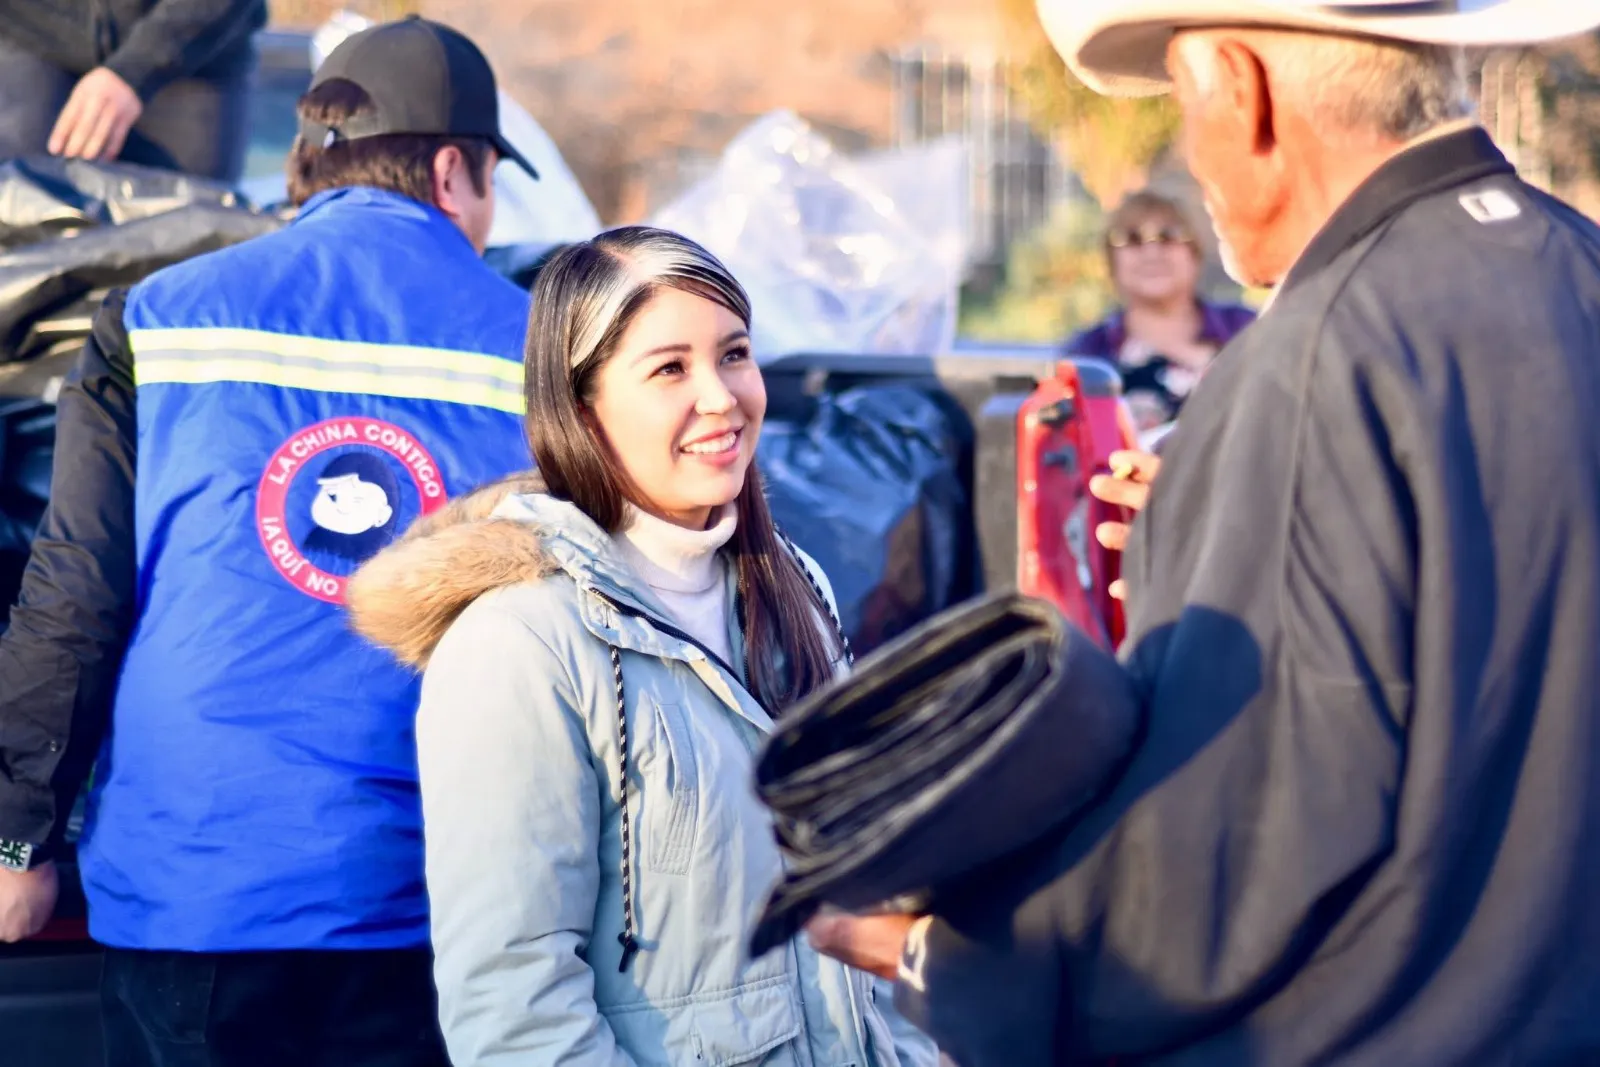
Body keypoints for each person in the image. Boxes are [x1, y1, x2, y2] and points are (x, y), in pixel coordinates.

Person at [806, 1, 1600, 1064]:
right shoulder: (1574, 264)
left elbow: (1240, 843)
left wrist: (940, 954)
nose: (1190, 152)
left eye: (1182, 103)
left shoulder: (1317, 355)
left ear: (1241, 88)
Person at [0, 17, 538, 1066]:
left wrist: (17, 831)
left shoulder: (153, 318)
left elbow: (76, 589)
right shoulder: (550, 345)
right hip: (442, 900)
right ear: (447, 169)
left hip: (195, 896)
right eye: (488, 183)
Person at [344, 226, 940, 1067]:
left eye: (734, 354)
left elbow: (866, 885)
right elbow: (515, 1009)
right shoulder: (519, 642)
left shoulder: (796, 586)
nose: (721, 396)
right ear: (581, 405)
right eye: (670, 368)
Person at [0, 0, 268, 183]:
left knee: (193, 234)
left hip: (197, 48)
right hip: (29, 35)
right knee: (16, 211)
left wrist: (139, 67)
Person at [1064, 189, 1255, 431]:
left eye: (1168, 236)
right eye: (1132, 239)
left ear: (1194, 252)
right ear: (1111, 261)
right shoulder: (1087, 354)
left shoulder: (1247, 330)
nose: (1152, 252)